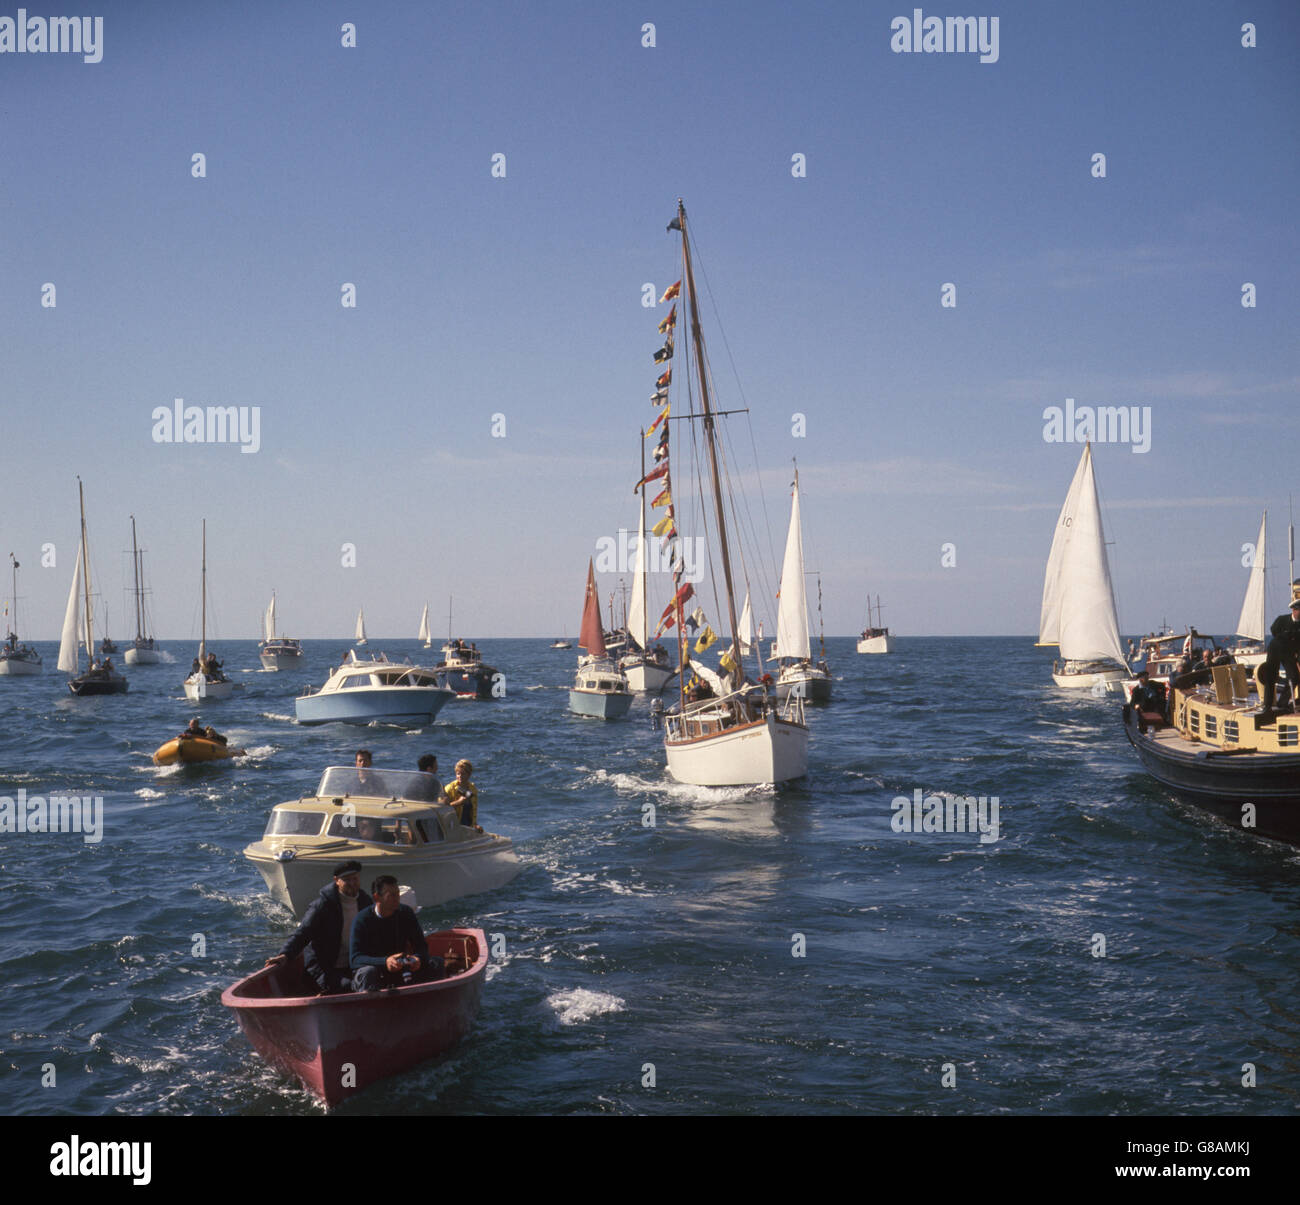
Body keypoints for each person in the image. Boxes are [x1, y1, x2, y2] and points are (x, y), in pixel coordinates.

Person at [265, 862, 373, 995]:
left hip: (352, 966)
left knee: (372, 976)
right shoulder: (322, 906)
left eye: (355, 879)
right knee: (348, 987)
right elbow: (303, 933)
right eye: (347, 880)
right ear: (336, 881)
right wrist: (285, 955)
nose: (352, 883)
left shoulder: (366, 902)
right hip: (324, 969)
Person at [350, 874, 441, 991]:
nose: (397, 898)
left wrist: (417, 959)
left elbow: (421, 946)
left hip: (402, 968)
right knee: (368, 972)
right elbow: (355, 959)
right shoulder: (362, 919)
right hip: (376, 971)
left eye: (397, 893)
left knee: (436, 963)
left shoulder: (406, 913)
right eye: (391, 895)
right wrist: (385, 962)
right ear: (377, 897)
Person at [1256, 600, 1300, 722]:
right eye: (1298, 611)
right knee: (1271, 676)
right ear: (1294, 610)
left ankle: (1282, 703)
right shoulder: (1282, 620)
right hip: (1275, 649)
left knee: (1294, 677)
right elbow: (1273, 630)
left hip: (1288, 653)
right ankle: (1267, 705)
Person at [444, 759, 480, 830]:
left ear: (469, 774)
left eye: (463, 774)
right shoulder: (449, 788)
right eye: (458, 773)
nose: (460, 776)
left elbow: (473, 812)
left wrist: (475, 825)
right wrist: (458, 802)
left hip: (468, 827)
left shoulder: (472, 789)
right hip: (453, 827)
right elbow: (442, 809)